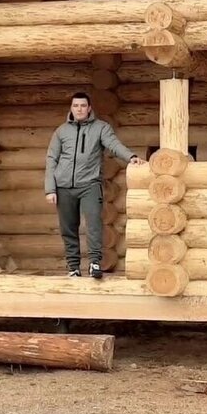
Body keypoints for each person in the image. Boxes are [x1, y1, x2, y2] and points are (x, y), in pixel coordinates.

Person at [45, 92, 145, 279]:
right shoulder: (61, 131)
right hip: (63, 187)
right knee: (68, 228)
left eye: (83, 106)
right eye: (76, 106)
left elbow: (114, 144)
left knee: (93, 224)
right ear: (71, 108)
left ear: (89, 108)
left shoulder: (100, 128)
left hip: (89, 185)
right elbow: (52, 159)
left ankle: (94, 263)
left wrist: (130, 157)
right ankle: (73, 267)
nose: (79, 109)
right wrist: (50, 189)